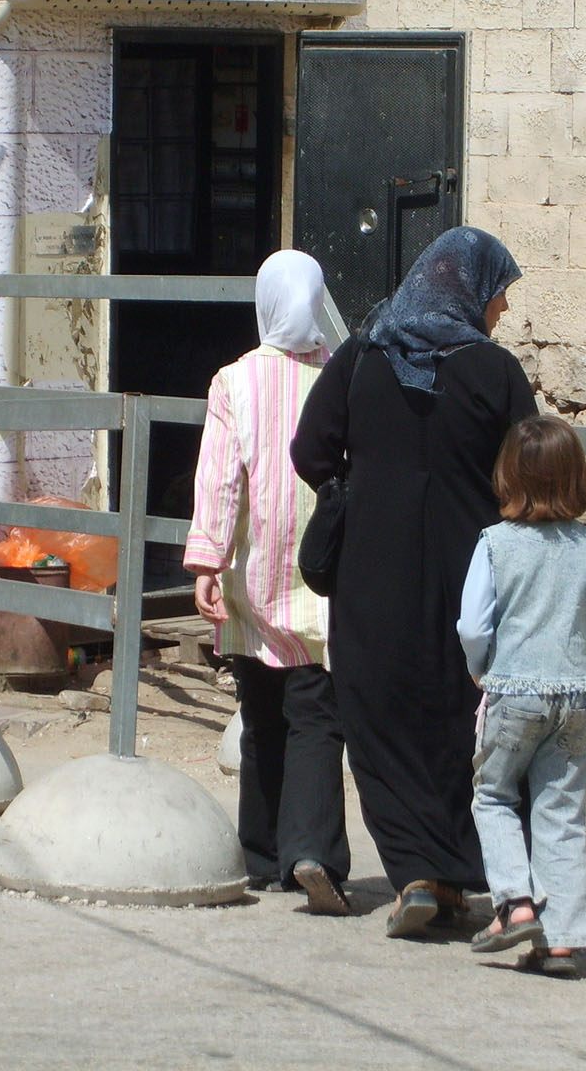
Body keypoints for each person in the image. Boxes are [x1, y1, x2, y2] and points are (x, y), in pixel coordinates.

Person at [291, 225, 536, 939]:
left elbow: (310, 448)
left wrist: (355, 490)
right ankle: (454, 871)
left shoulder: (364, 357)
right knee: (463, 716)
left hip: (373, 570)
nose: (502, 313)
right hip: (473, 573)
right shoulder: (495, 372)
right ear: (470, 293)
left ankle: (416, 875)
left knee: (382, 712)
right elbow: (530, 469)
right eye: (499, 297)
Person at [183, 250, 351, 916]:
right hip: (322, 577)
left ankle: (261, 855)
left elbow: (220, 480)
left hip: (250, 573)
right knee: (315, 712)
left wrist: (206, 562)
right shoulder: (341, 377)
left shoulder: (233, 381)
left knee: (260, 713)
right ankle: (309, 850)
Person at [459, 414, 586, 979]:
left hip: (513, 689)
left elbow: (473, 625)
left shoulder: (495, 543)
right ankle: (564, 939)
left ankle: (515, 903)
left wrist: (481, 670)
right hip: (576, 693)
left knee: (494, 796)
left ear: (508, 477)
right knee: (561, 812)